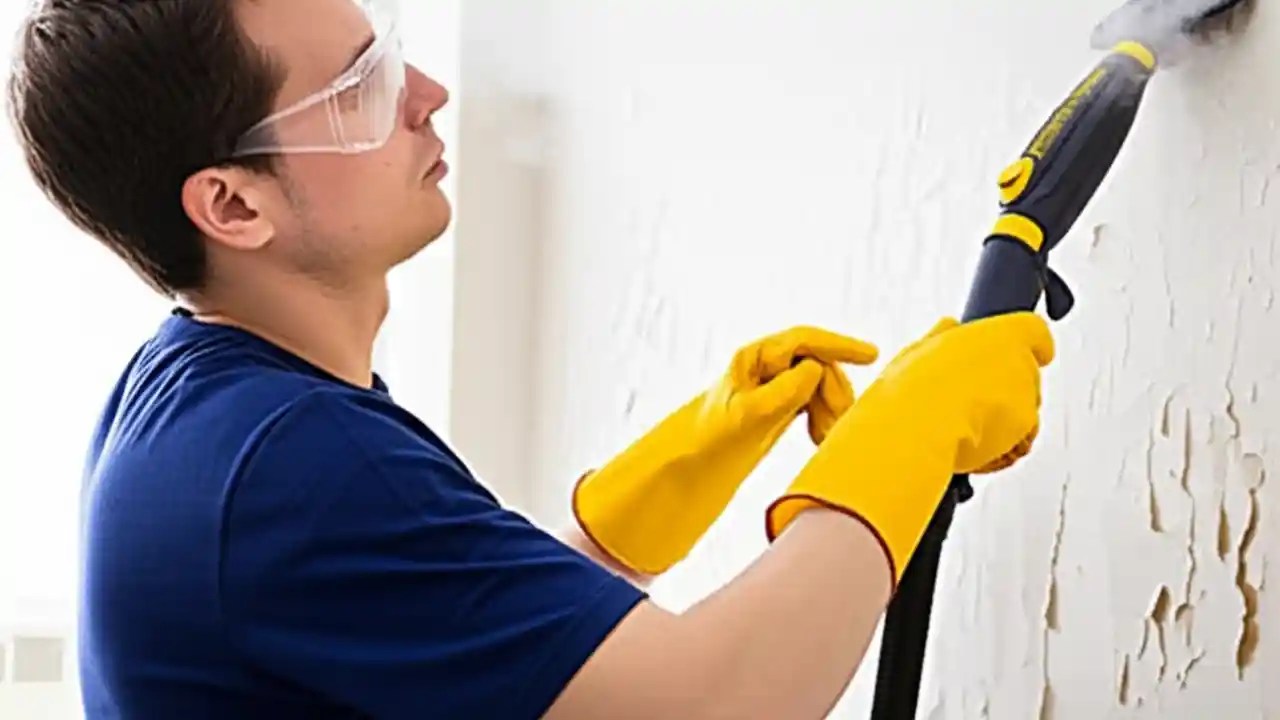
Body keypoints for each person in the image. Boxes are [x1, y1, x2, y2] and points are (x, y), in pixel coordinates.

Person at [6, 0, 1055, 718]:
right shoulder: (283, 464)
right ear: (233, 204)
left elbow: (455, 645)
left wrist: (635, 512)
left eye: (391, 50)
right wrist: (906, 437)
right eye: (360, 91)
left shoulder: (202, 397)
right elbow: (719, 703)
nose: (426, 92)